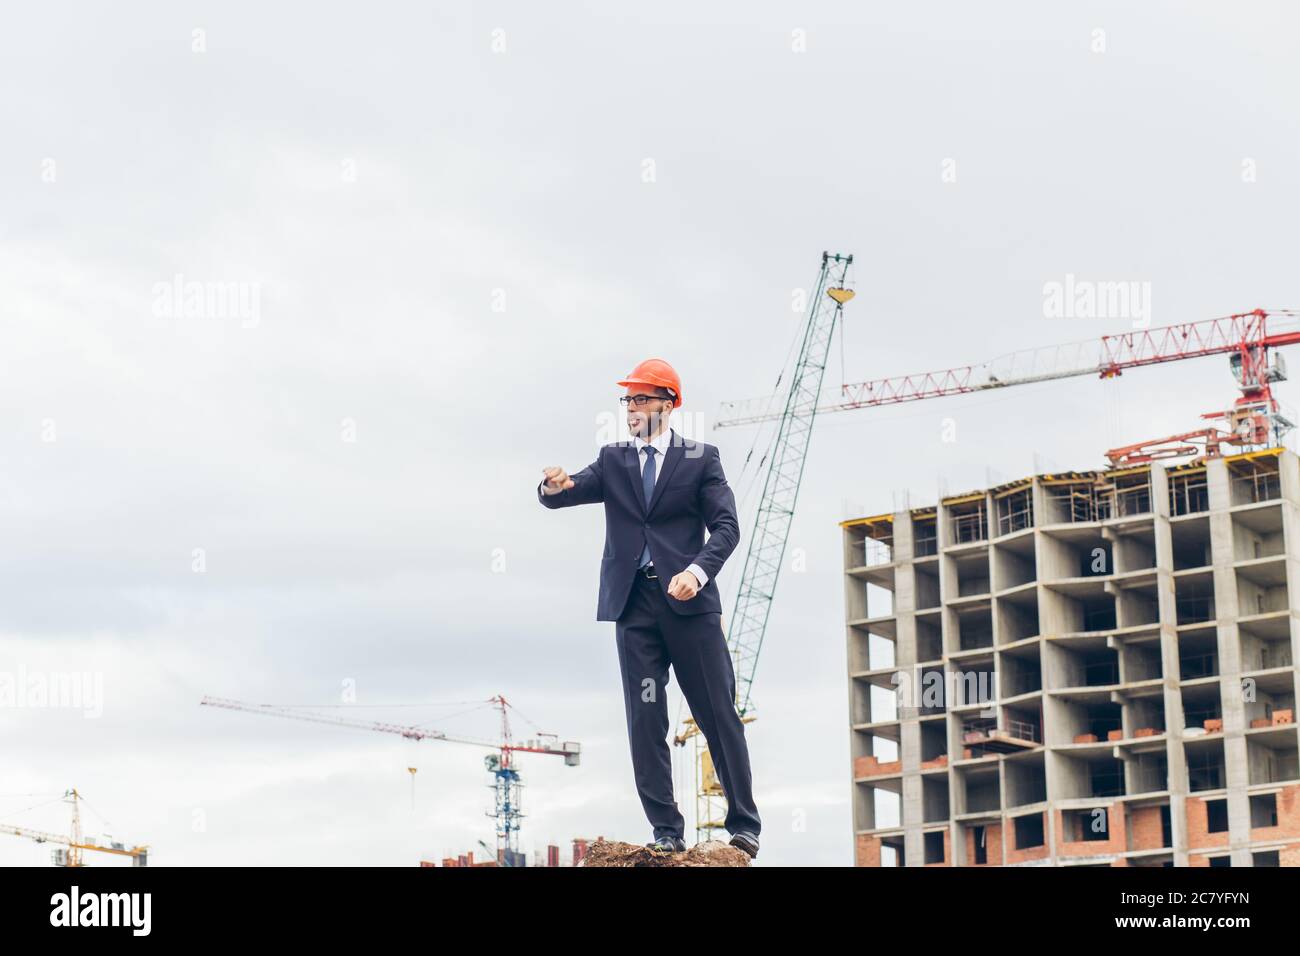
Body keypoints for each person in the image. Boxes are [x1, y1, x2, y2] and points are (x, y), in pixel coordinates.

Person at [536, 358, 761, 858]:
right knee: (645, 717)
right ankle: (666, 829)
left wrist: (697, 572)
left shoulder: (702, 458)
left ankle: (744, 825)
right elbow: (566, 492)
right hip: (633, 607)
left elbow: (727, 528)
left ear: (668, 403)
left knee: (717, 713)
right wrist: (553, 484)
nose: (632, 408)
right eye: (628, 400)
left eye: (641, 399)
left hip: (689, 607)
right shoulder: (613, 460)